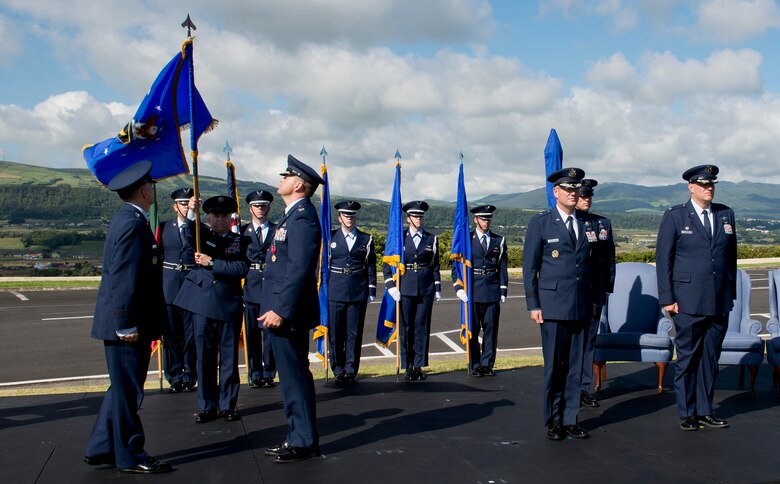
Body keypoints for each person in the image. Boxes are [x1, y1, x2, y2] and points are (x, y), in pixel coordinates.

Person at [84, 160, 172, 474]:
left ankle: (101, 447)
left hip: (130, 322)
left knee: (121, 390)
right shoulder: (132, 224)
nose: (153, 191)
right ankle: (130, 455)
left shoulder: (129, 219)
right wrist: (126, 324)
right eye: (151, 186)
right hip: (127, 326)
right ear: (145, 191)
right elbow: (123, 278)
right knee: (128, 393)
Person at [655, 164, 737, 431]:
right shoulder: (675, 216)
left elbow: (730, 258)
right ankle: (687, 411)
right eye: (703, 184)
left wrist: (731, 294)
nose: (708, 188)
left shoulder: (725, 214)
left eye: (711, 184)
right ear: (691, 187)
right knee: (688, 358)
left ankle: (705, 410)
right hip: (687, 301)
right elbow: (664, 260)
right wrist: (667, 298)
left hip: (718, 300)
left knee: (710, 359)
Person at [523, 167, 597, 441]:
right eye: (567, 188)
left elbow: (592, 267)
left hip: (581, 304)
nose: (573, 193)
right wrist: (533, 304)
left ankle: (570, 418)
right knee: (555, 366)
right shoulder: (541, 223)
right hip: (553, 306)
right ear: (556, 192)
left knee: (576, 367)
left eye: (575, 188)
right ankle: (554, 419)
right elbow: (530, 267)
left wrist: (595, 299)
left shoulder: (587, 223)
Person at [259, 154, 324, 463]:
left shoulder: (302, 218)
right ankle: (297, 436)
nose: (281, 179)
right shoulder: (292, 215)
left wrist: (281, 310)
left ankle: (304, 441)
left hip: (288, 314)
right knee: (289, 379)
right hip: (282, 311)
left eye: (286, 176)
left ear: (298, 184)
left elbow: (298, 269)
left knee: (295, 377)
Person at [174, 196, 249, 424]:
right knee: (205, 358)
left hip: (228, 304)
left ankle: (227, 405)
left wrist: (213, 263)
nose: (220, 220)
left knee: (229, 359)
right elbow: (189, 232)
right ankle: (207, 405)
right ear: (208, 218)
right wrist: (191, 211)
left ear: (231, 218)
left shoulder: (241, 241)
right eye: (216, 216)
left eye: (225, 216)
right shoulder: (202, 236)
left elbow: (241, 268)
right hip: (203, 305)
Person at [383, 200, 441, 381]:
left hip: (425, 287)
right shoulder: (399, 238)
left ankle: (418, 365)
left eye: (421, 216)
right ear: (408, 218)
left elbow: (435, 265)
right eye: (415, 216)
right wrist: (391, 286)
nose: (418, 219)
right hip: (405, 287)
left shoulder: (431, 239)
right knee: (406, 327)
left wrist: (437, 287)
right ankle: (407, 365)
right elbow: (387, 263)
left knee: (422, 327)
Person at [452, 204, 508, 377]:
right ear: (476, 220)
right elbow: (456, 266)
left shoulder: (499, 241)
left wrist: (503, 289)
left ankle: (487, 364)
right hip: (473, 291)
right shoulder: (467, 240)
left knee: (491, 331)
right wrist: (458, 287)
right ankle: (475, 364)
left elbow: (502, 267)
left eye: (488, 219)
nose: (486, 222)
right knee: (473, 330)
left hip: (492, 290)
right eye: (483, 219)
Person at [575, 179, 615, 408]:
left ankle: (583, 388)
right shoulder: (571, 223)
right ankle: (570, 387)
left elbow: (609, 258)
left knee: (589, 340)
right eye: (582, 196)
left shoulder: (602, 223)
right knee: (572, 342)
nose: (586, 200)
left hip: (595, 291)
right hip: (574, 292)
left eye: (589, 196)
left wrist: (608, 287)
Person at [328, 200, 377, 383]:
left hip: (357, 289)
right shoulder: (330, 237)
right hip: (335, 289)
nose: (349, 218)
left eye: (352, 215)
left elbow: (370, 265)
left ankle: (351, 369)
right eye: (346, 215)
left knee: (354, 333)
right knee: (336, 333)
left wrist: (371, 288)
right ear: (339, 217)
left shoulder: (366, 239)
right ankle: (337, 368)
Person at [157, 187, 198, 393]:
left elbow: (194, 240)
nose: (186, 207)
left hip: (191, 285)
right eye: (183, 203)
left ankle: (190, 375)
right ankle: (174, 376)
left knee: (191, 335)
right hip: (170, 285)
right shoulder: (163, 228)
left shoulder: (197, 228)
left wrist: (192, 217)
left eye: (189, 203)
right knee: (172, 335)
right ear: (175, 206)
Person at [241, 189, 277, 389]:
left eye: (264, 206)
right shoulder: (241, 232)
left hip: (270, 286)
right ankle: (255, 373)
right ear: (250, 208)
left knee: (270, 334)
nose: (260, 209)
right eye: (257, 206)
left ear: (269, 208)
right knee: (252, 334)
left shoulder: (277, 230)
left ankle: (269, 372)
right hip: (251, 286)